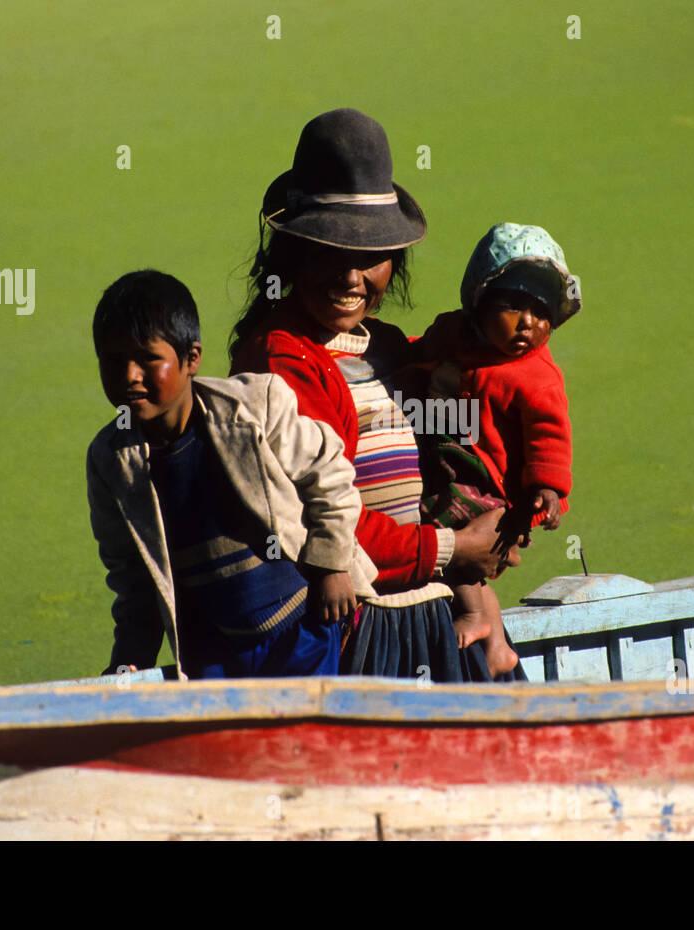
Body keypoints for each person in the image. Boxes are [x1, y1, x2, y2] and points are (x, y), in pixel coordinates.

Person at [229, 108, 524, 682]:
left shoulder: (388, 347)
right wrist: (454, 549)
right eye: (329, 253)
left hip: (440, 610)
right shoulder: (278, 360)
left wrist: (500, 518)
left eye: (370, 258)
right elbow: (326, 515)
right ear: (290, 255)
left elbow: (455, 446)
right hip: (366, 626)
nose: (350, 278)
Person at [86, 269, 377, 680]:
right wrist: (131, 655)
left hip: (302, 629)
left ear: (191, 359)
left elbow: (330, 476)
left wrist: (331, 565)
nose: (129, 377)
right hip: (211, 652)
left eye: (147, 359)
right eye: (112, 362)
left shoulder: (256, 405)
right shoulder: (110, 460)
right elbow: (130, 572)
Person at [410, 222, 579, 677]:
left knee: (450, 534)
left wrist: (548, 488)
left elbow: (550, 436)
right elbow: (418, 354)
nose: (528, 323)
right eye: (513, 306)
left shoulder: (536, 376)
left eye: (541, 312)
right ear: (480, 304)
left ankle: (473, 616)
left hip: (493, 483)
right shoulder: (455, 334)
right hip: (453, 456)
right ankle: (499, 645)